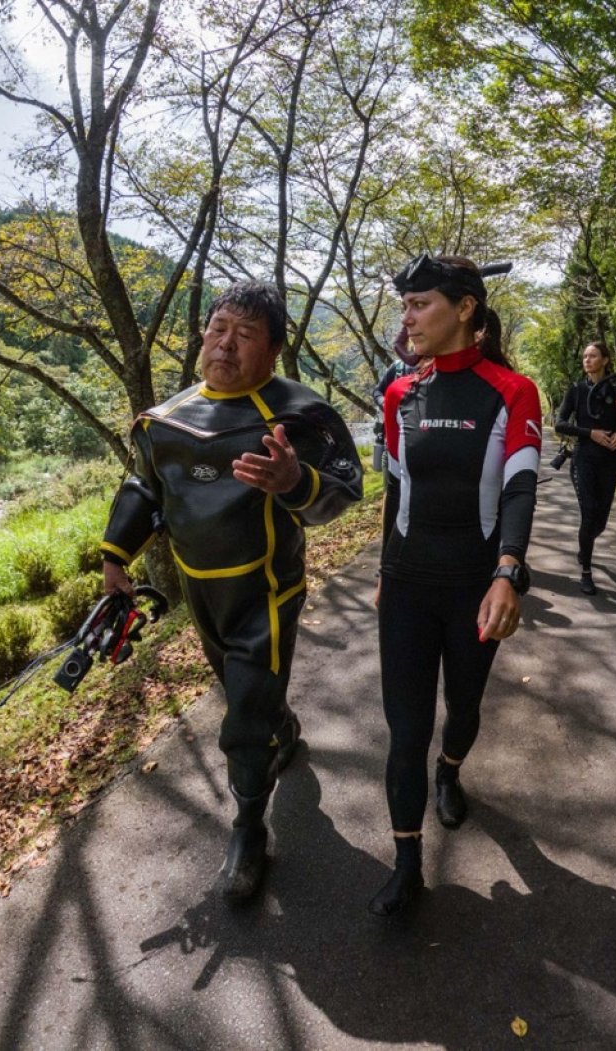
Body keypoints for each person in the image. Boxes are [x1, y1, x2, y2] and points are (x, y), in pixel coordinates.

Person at [99, 280, 363, 904]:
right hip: (200, 590)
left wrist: (295, 480)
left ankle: (248, 832)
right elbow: (145, 489)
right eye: (218, 329)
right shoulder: (166, 420)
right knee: (242, 689)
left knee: (242, 714)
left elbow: (346, 490)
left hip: (266, 590)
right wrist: (115, 556)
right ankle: (283, 724)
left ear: (273, 350)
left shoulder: (300, 415)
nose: (225, 344)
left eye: (245, 336)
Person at [370, 253, 542, 915]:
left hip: (475, 586)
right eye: (405, 306)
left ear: (465, 308)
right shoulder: (399, 393)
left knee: (462, 707)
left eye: (421, 304)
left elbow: (522, 486)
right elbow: (394, 487)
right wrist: (385, 573)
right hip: (408, 586)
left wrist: (509, 570)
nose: (407, 318)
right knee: (404, 730)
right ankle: (407, 862)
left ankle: (451, 770)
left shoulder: (512, 390)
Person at [554, 341, 616, 595]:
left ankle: (585, 546)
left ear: (605, 360)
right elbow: (560, 424)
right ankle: (586, 573)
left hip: (609, 463)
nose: (587, 360)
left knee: (600, 522)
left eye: (593, 356)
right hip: (584, 460)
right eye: (585, 356)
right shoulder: (576, 390)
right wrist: (589, 433)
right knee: (589, 513)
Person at [370, 327, 418, 471]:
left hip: (417, 442)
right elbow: (377, 391)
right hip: (391, 443)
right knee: (392, 486)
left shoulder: (435, 367)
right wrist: (384, 403)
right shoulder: (398, 367)